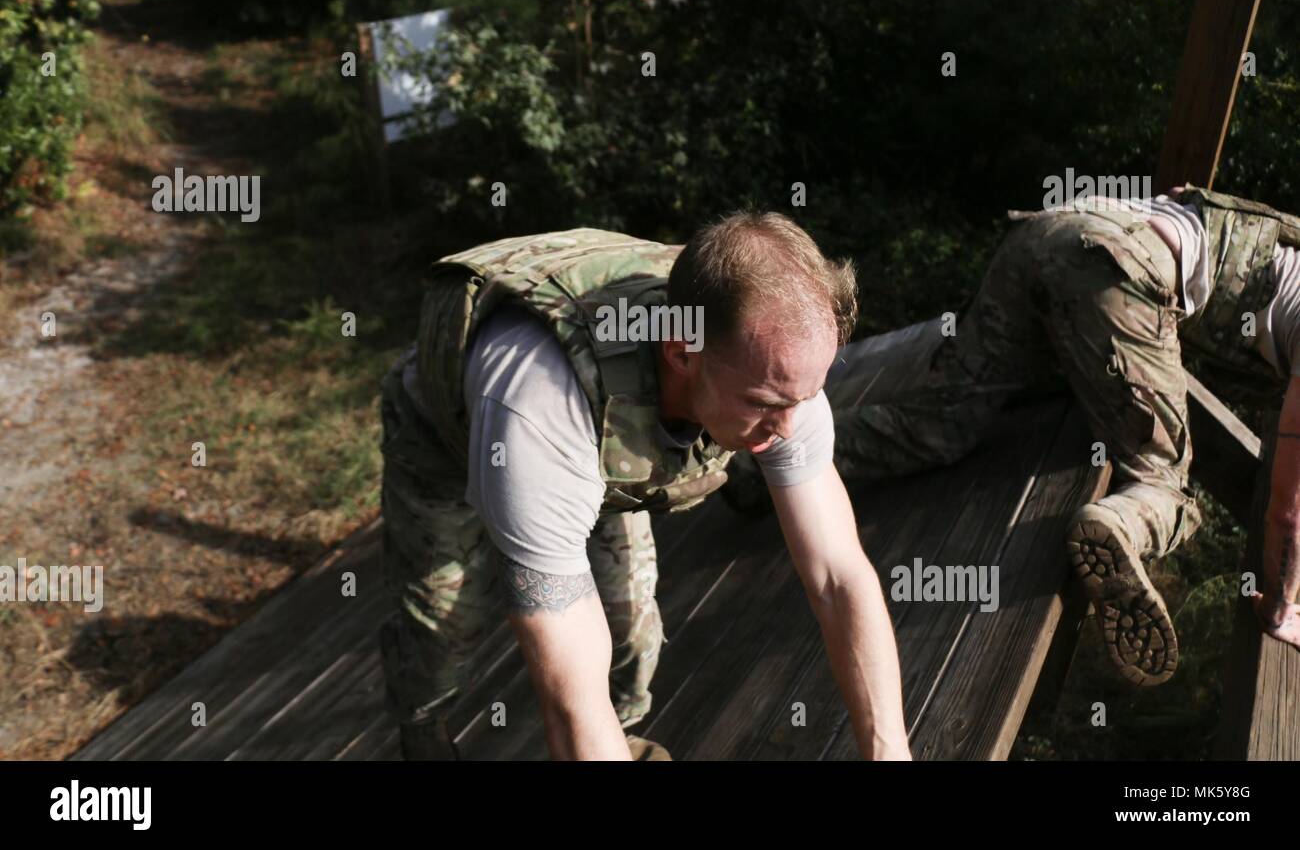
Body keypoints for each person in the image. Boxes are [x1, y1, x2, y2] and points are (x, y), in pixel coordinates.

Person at [377, 211, 911, 759]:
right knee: (445, 631)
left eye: (802, 398)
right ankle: (423, 735)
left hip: (604, 444)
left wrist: (889, 750)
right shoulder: (541, 410)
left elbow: (839, 577)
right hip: (446, 437)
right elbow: (569, 703)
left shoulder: (776, 370)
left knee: (632, 634)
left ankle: (624, 738)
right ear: (682, 353)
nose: (787, 428)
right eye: (765, 404)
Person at [787, 184, 1300, 686]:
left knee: (940, 425)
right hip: (1113, 271)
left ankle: (762, 453)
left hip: (1046, 234)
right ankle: (1118, 524)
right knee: (1167, 482)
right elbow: (1288, 508)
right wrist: (1280, 609)